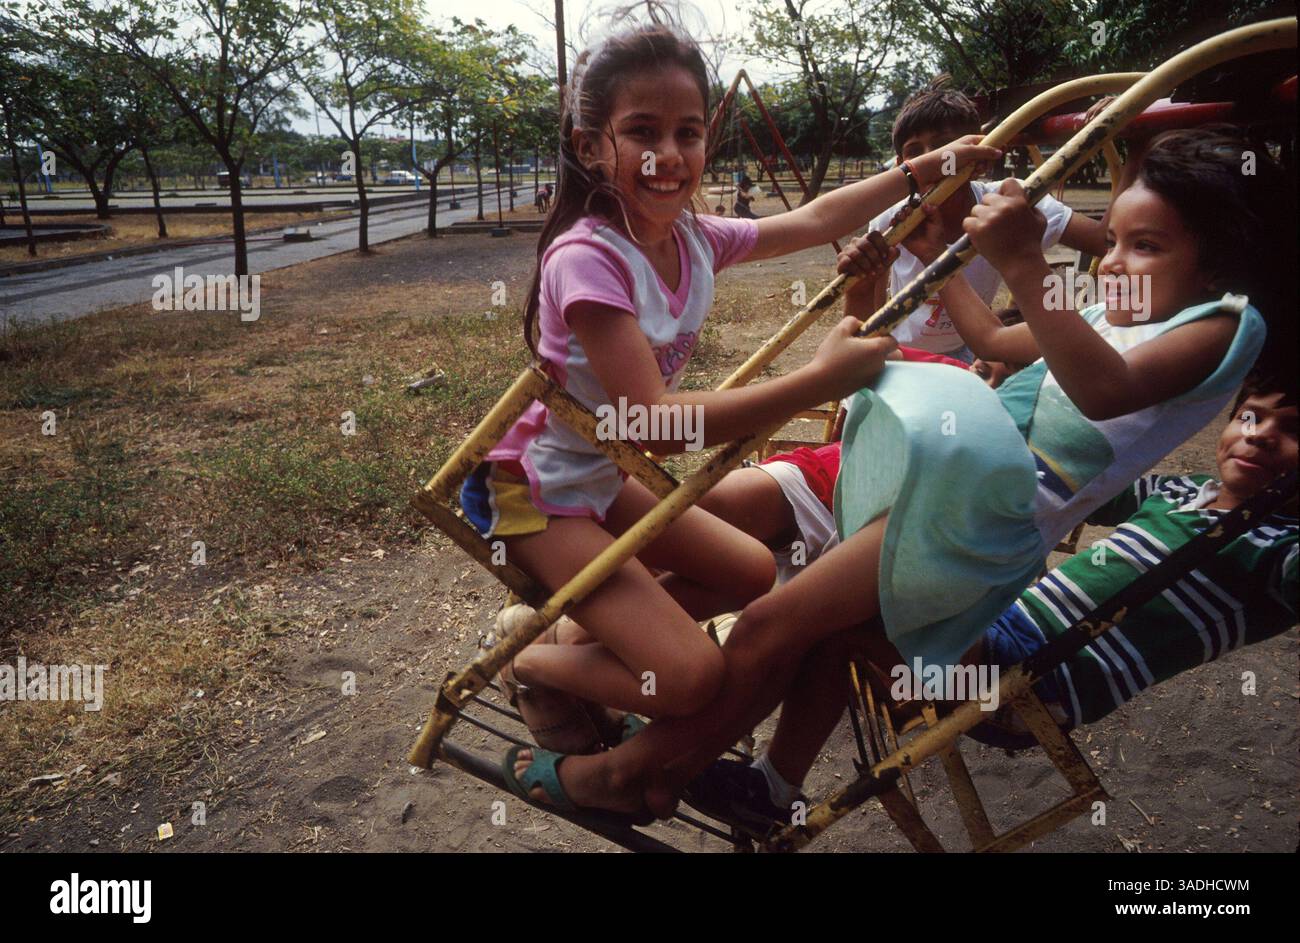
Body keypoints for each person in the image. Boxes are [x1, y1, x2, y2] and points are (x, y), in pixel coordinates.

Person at [504, 124, 1287, 823]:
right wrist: (937, 250)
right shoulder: (1121, 314)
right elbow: (992, 336)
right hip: (941, 486)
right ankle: (688, 738)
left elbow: (1103, 388)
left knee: (776, 619)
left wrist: (1022, 260)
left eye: (1145, 246)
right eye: (1110, 239)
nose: (1113, 261)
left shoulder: (1225, 326)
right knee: (811, 619)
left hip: (976, 523)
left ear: (1225, 257)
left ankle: (630, 770)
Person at [463, 11, 999, 773]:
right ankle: (528, 659)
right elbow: (646, 421)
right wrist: (817, 381)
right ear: (591, 146)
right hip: (533, 489)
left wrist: (923, 170)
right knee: (690, 678)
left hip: (597, 475)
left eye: (687, 132)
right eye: (641, 132)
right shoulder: (586, 259)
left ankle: (577, 640)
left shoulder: (692, 237)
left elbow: (815, 218)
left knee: (751, 570)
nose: (669, 154)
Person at [688, 371, 1297, 827]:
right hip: (997, 635)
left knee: (844, 611)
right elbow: (1079, 482)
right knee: (835, 613)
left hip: (1034, 686)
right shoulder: (1182, 490)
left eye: (1291, 430)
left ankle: (755, 781)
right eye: (1250, 416)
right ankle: (767, 782)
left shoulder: (1277, 551)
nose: (1261, 436)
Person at [866, 76, 1108, 363]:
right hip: (905, 350)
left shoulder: (1006, 204)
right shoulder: (891, 220)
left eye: (946, 146)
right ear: (901, 167)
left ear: (977, 159)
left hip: (970, 347)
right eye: (915, 152)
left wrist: (1120, 128)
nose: (934, 160)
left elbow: (1106, 240)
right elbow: (872, 309)